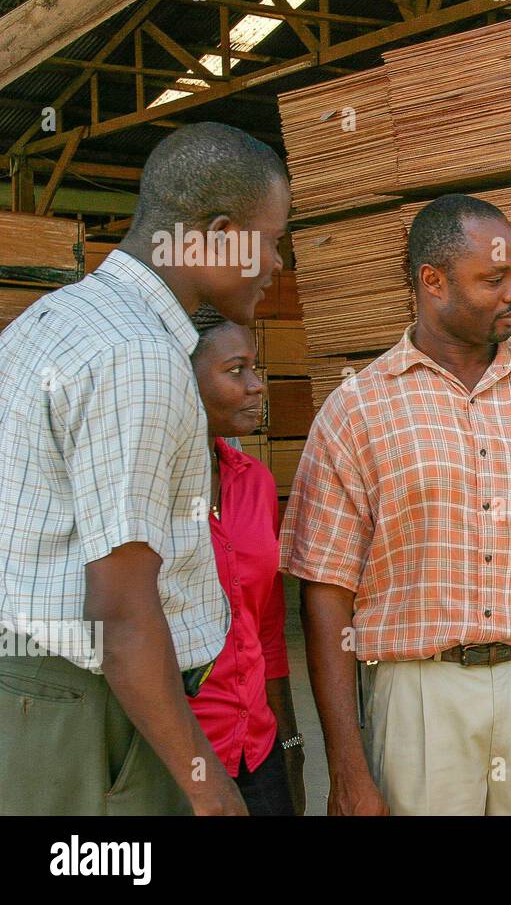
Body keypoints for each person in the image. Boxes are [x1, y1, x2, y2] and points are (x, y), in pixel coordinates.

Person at [281, 194, 511, 816]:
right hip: (421, 693)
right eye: (494, 279)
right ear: (433, 281)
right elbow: (326, 591)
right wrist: (346, 763)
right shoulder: (358, 410)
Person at [0, 122, 287, 815]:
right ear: (220, 235)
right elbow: (123, 614)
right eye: (273, 241)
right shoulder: (140, 358)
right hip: (94, 717)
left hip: (35, 701)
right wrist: (209, 786)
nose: (277, 265)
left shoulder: (54, 320)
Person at [187, 305, 305, 815]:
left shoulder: (254, 480)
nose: (257, 385)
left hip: (257, 748)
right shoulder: (143, 490)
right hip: (176, 754)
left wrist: (291, 745)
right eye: (236, 371)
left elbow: (268, 630)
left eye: (255, 368)